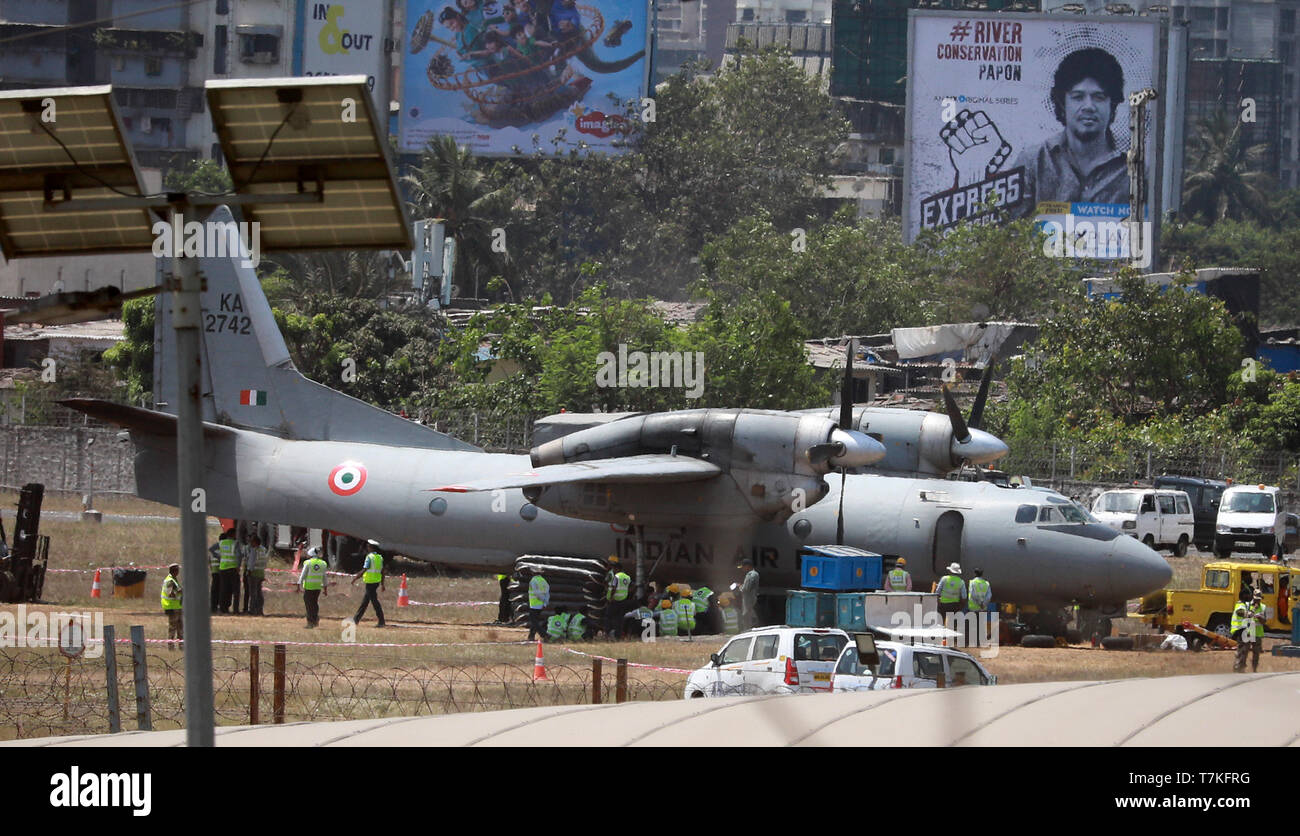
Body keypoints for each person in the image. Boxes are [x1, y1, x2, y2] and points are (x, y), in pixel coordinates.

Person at [1010, 47, 1130, 219]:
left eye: (1099, 97)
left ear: (1112, 105)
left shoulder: (1135, 167)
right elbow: (1010, 234)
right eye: (1078, 97)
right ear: (1062, 103)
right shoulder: (1034, 161)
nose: (1088, 106)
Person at [350, 539, 387, 627]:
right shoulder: (379, 557)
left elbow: (365, 569)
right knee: (365, 601)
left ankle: (381, 621)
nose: (367, 547)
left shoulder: (369, 557)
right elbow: (382, 571)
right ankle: (356, 620)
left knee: (374, 602)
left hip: (370, 582)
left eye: (368, 546)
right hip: (376, 582)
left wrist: (355, 578)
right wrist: (382, 584)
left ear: (370, 547)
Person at [1232, 590, 1267, 673]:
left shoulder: (1263, 607)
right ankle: (1240, 668)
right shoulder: (1246, 605)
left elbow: (1265, 621)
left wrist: (1260, 618)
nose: (1257, 601)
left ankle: (1254, 669)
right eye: (1255, 599)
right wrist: (1251, 612)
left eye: (1259, 599)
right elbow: (1241, 614)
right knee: (1243, 651)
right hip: (1247, 632)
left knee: (1256, 653)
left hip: (1257, 633)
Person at [298, 546, 328, 628]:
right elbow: (324, 577)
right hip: (318, 588)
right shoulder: (323, 563)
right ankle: (315, 619)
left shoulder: (308, 563)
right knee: (315, 604)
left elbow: (303, 575)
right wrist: (325, 589)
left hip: (309, 587)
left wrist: (298, 584)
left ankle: (310, 622)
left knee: (309, 605)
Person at [603, 556, 631, 639]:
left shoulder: (615, 576)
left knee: (608, 616)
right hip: (623, 600)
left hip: (614, 600)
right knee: (619, 618)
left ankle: (608, 633)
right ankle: (618, 635)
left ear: (617, 568)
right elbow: (631, 587)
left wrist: (610, 596)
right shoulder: (626, 576)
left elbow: (613, 588)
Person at [243, 534, 268, 616]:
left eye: (251, 542)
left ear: (255, 542)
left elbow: (251, 562)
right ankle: (259, 610)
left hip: (253, 573)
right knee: (259, 593)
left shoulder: (254, 550)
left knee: (253, 593)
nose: (250, 543)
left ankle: (252, 610)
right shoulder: (263, 549)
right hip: (261, 573)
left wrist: (248, 571)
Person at [217, 528, 239, 614]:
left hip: (223, 568)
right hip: (233, 568)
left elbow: (217, 553)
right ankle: (235, 610)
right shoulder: (235, 543)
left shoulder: (221, 543)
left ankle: (223, 608)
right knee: (235, 590)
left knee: (223, 589)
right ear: (233, 535)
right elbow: (238, 556)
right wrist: (238, 566)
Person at [161, 563, 183, 649]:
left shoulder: (174, 579)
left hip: (177, 607)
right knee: (172, 628)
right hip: (172, 608)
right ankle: (171, 647)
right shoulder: (169, 581)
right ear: (175, 571)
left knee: (181, 628)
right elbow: (171, 594)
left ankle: (182, 647)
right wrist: (180, 591)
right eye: (177, 570)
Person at [526, 570, 550, 641]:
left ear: (532, 573)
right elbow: (547, 593)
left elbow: (537, 594)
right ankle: (531, 636)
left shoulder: (533, 580)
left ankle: (544, 634)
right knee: (535, 621)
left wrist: (542, 600)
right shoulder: (543, 581)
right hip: (541, 605)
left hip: (534, 605)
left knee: (534, 622)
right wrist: (545, 603)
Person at [739, 559, 760, 631]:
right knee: (750, 615)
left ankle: (747, 632)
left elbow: (746, 589)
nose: (742, 569)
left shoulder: (751, 575)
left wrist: (740, 587)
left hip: (748, 599)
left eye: (743, 567)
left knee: (747, 616)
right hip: (751, 598)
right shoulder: (755, 574)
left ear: (747, 566)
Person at [208, 537, 223, 613]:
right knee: (220, 590)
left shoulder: (213, 550)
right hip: (221, 571)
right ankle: (218, 607)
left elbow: (209, 561)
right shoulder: (223, 549)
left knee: (214, 590)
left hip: (214, 571)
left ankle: (213, 606)